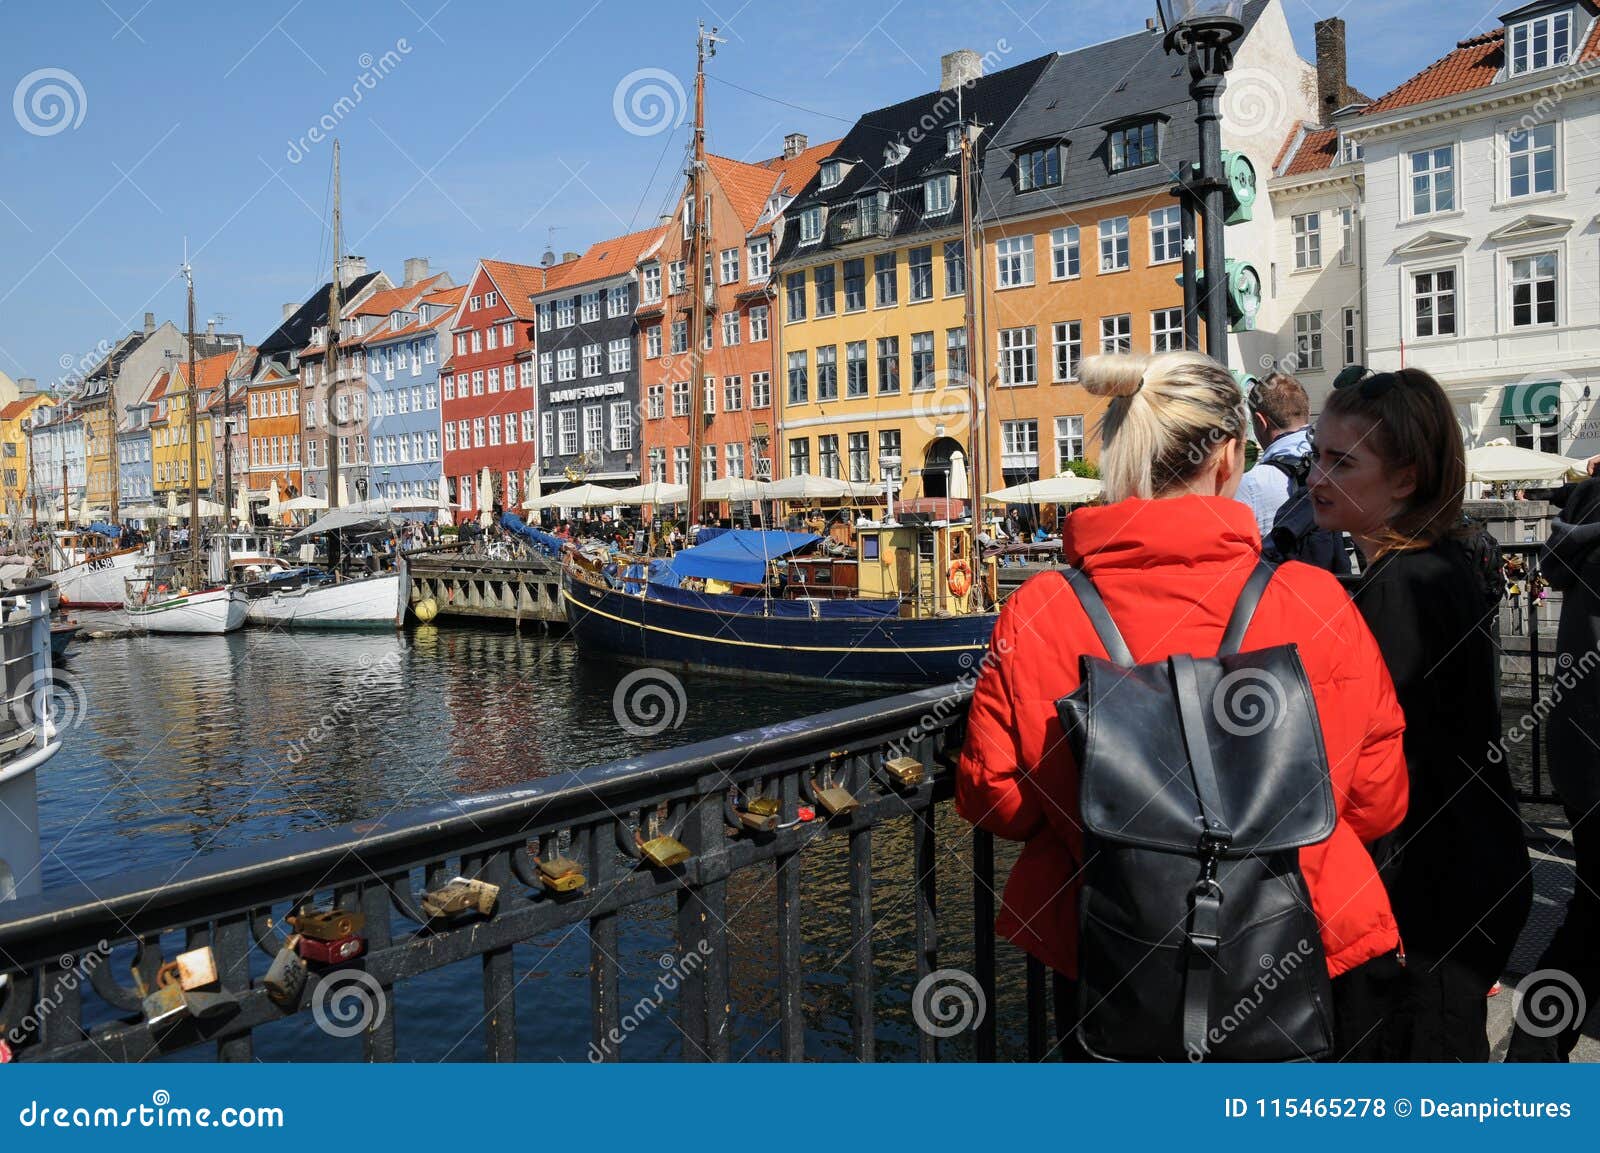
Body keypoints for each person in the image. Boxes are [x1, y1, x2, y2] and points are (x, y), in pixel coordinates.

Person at [957, 350, 1408, 1059]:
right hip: (1300, 947)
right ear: (1229, 455)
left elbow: (996, 804)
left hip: (1116, 956)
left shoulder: (1041, 609)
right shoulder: (1313, 599)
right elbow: (1378, 802)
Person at [1310, 365, 1532, 1061]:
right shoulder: (1442, 563)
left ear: (1404, 480)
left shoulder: (1396, 587)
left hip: (1430, 889)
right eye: (1317, 455)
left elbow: (1382, 760)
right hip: (1472, 866)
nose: (1316, 476)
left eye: (1342, 462)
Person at [1507, 473, 1600, 1061]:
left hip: (1581, 751)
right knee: (1588, 918)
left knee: (1589, 910)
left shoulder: (1585, 514)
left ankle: (1534, 1053)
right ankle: (1533, 1057)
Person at [1237, 372, 1348, 573]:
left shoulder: (1249, 484)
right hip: (1338, 585)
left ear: (1261, 422)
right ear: (1308, 411)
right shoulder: (1345, 468)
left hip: (1279, 588)